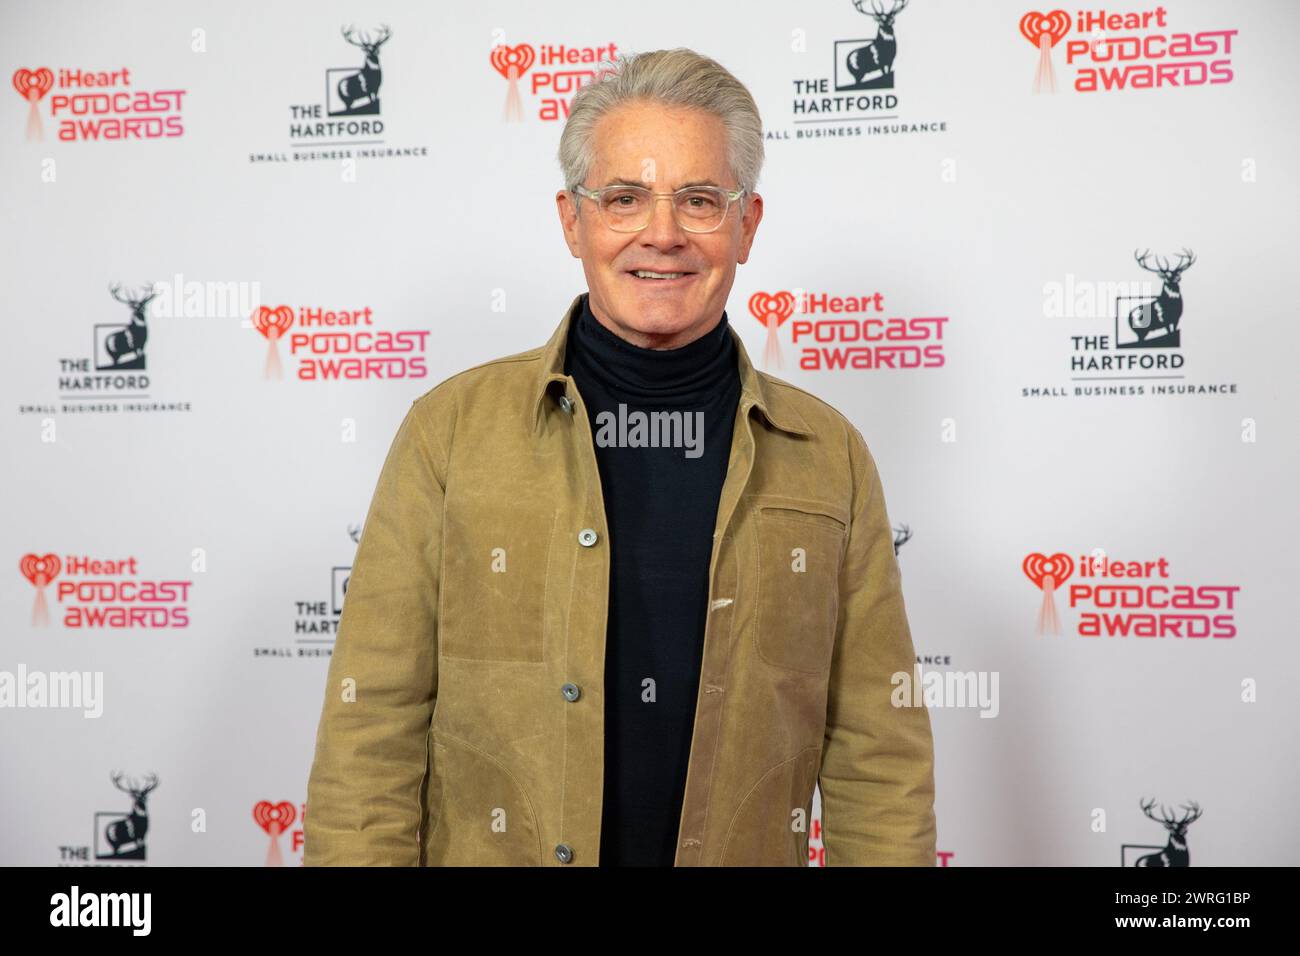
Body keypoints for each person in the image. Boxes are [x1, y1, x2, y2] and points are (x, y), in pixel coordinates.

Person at [304, 47, 936, 867]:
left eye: (700, 200)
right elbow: (370, 732)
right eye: (625, 198)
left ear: (747, 225)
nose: (662, 234)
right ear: (574, 221)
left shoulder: (829, 457)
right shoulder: (450, 435)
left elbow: (878, 754)